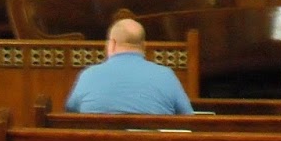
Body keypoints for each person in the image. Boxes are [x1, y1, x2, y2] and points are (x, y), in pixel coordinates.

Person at [64, 12, 194, 115]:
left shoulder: (88, 75)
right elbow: (187, 117)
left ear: (112, 43)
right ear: (143, 46)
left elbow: (70, 111)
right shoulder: (166, 75)